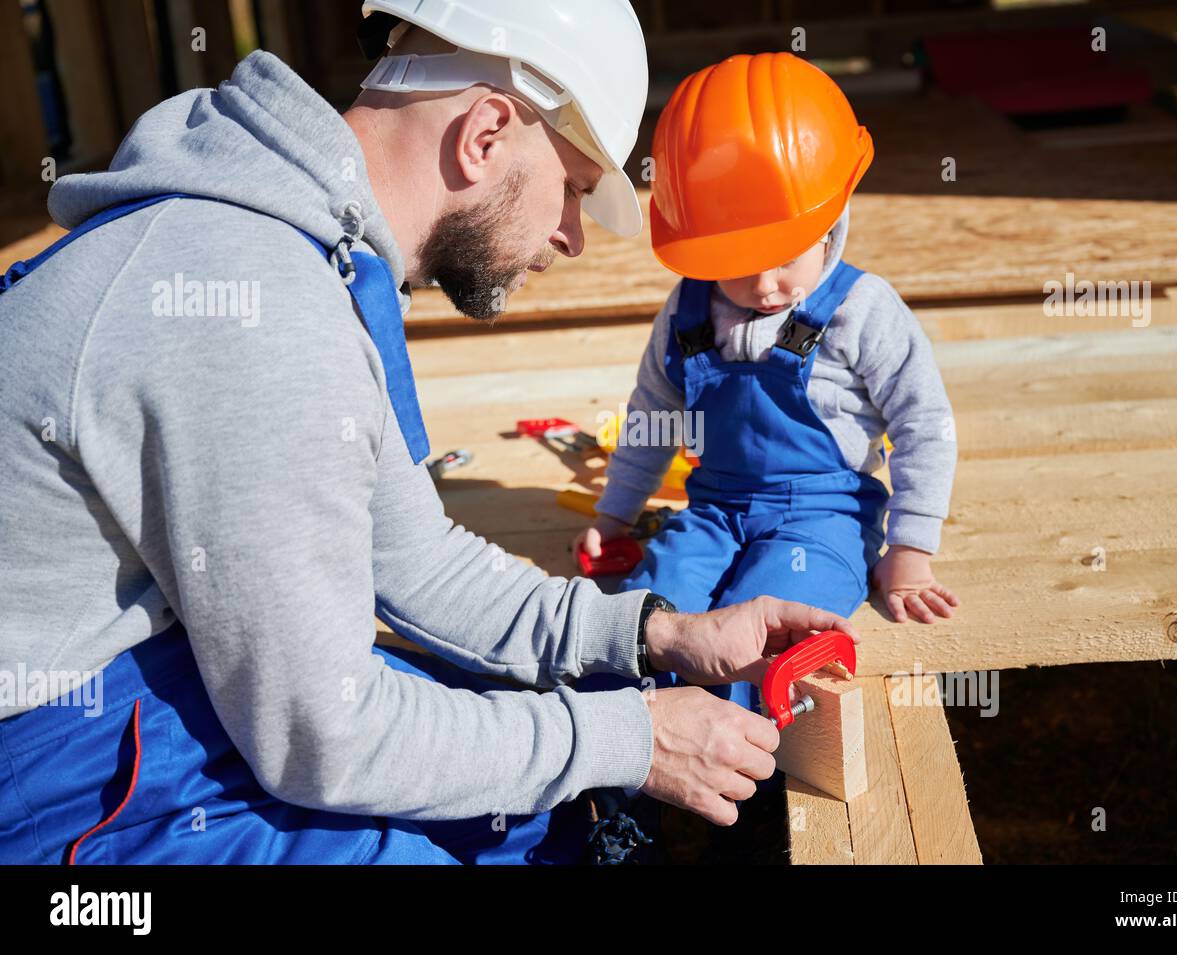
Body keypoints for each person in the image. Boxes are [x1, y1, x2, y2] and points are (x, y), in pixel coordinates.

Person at [0, 2, 856, 865]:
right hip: (51, 783)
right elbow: (325, 738)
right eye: (574, 188)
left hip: (137, 698)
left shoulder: (313, 254)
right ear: (485, 134)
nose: (571, 238)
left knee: (535, 809)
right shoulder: (252, 308)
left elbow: (414, 561)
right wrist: (631, 736)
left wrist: (652, 634)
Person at [573, 53, 961, 713]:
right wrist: (614, 514)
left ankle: (749, 729)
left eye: (783, 255)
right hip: (714, 511)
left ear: (830, 215)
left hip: (822, 520)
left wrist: (910, 547)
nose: (763, 286)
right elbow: (652, 416)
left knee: (769, 605)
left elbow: (924, 423)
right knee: (657, 600)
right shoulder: (688, 311)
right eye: (734, 263)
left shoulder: (861, 309)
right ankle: (630, 749)